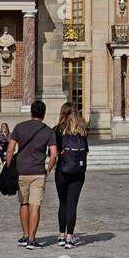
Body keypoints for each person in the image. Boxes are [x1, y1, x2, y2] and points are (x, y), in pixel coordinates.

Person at [8, 101, 58, 249]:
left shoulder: (19, 127)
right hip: (38, 172)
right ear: (44, 114)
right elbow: (54, 154)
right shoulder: (48, 131)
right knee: (35, 206)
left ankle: (24, 235)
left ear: (31, 112)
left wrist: (9, 167)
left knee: (23, 203)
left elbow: (10, 150)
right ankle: (31, 239)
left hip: (22, 171)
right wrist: (48, 169)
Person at [53, 102, 90, 248]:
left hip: (62, 171)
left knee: (63, 203)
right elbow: (86, 152)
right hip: (78, 172)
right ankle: (70, 238)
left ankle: (61, 235)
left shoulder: (57, 130)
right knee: (72, 205)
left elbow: (54, 153)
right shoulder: (82, 131)